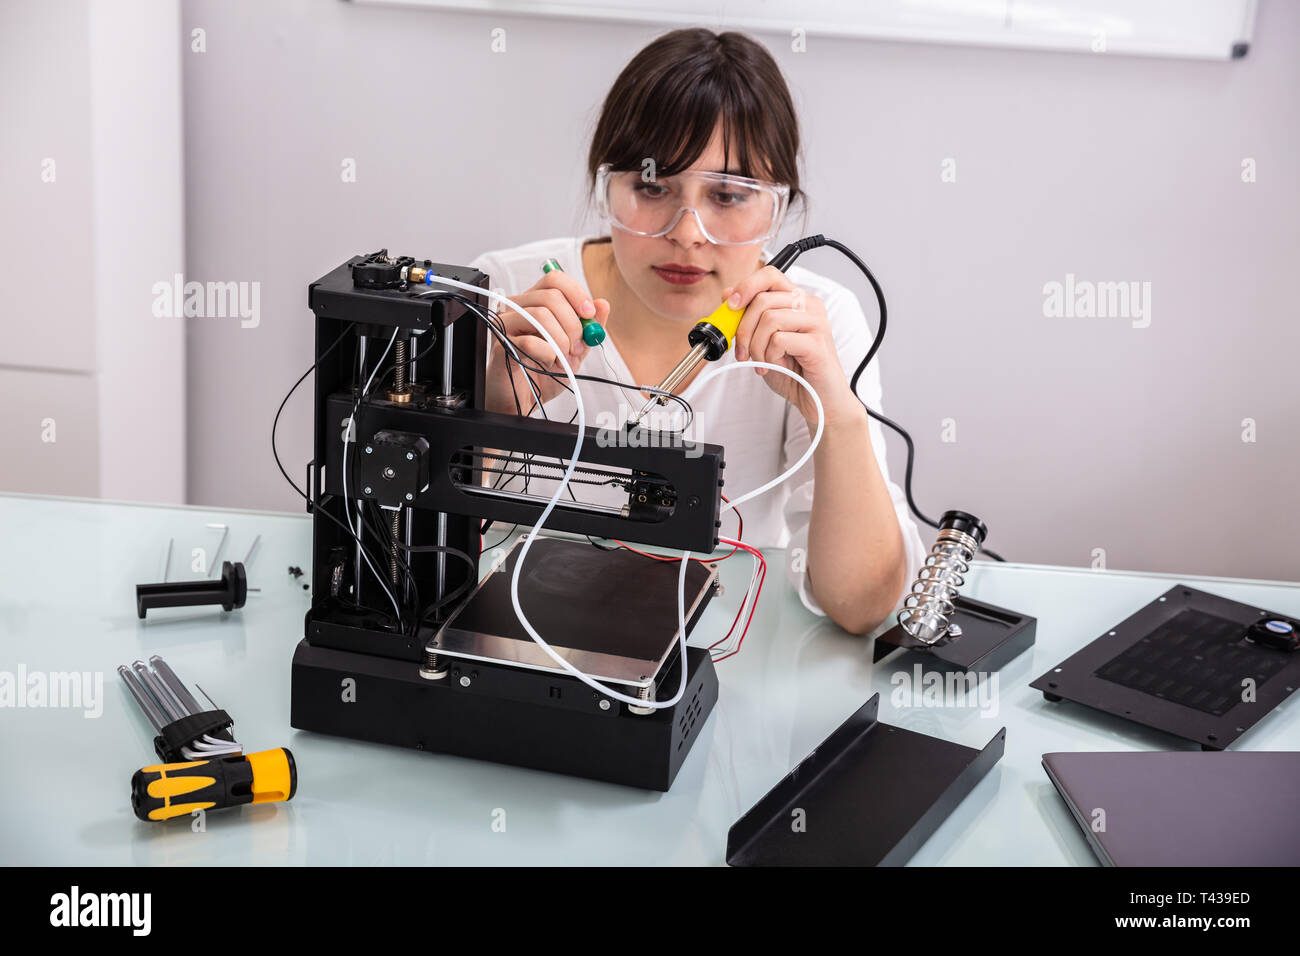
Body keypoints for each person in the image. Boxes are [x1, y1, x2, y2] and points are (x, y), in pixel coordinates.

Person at [470, 28, 926, 634]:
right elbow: (415, 546)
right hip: (529, 641)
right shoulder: (510, 295)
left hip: (721, 640)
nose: (688, 232)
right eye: (653, 188)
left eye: (730, 195)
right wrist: (498, 413)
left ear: (778, 207)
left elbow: (862, 606)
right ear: (607, 185)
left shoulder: (817, 323)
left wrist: (836, 416)